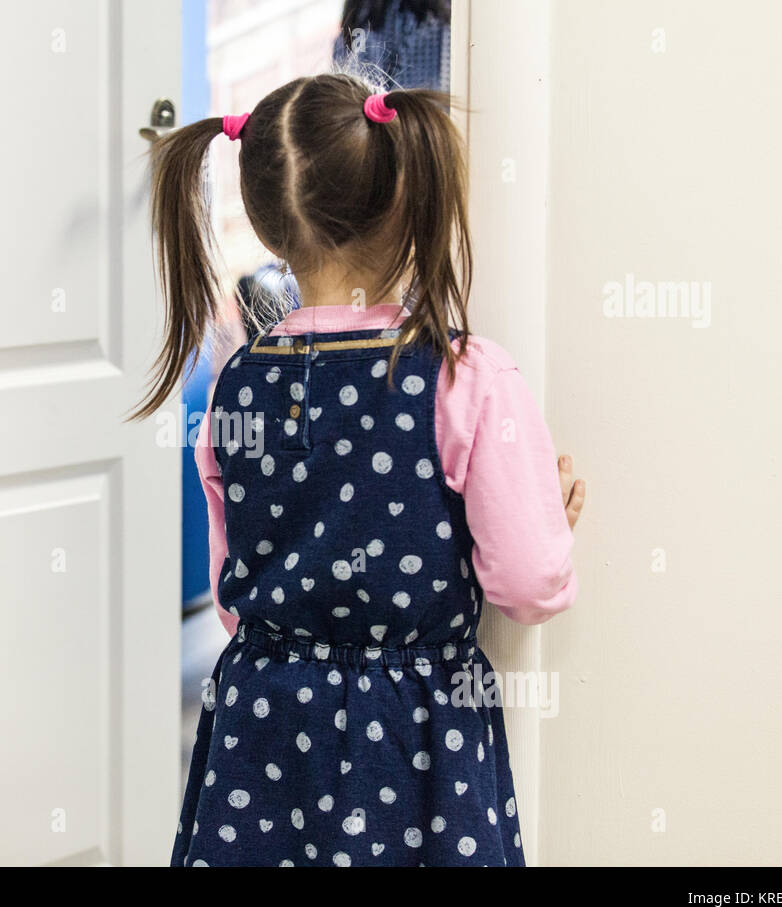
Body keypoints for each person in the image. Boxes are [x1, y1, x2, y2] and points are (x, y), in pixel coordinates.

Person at [137, 73, 585, 866]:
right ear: (409, 198)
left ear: (273, 227)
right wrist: (545, 517)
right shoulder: (464, 375)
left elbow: (236, 603)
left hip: (262, 729)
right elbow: (527, 581)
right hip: (419, 741)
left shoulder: (238, 384)